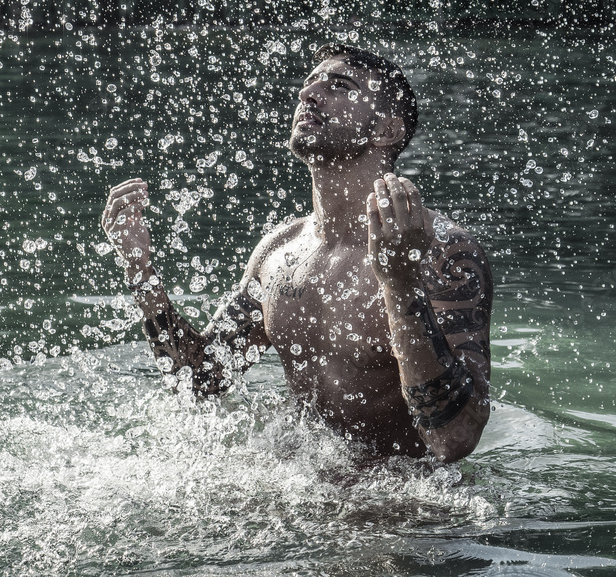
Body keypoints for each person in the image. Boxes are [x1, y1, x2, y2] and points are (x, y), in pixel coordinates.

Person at [101, 43, 492, 462]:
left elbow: (454, 440)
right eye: (309, 83)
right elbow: (200, 380)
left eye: (339, 86)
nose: (308, 94)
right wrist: (140, 269)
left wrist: (399, 282)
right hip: (300, 484)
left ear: (386, 130)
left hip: (399, 497)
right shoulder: (278, 252)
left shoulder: (441, 251)